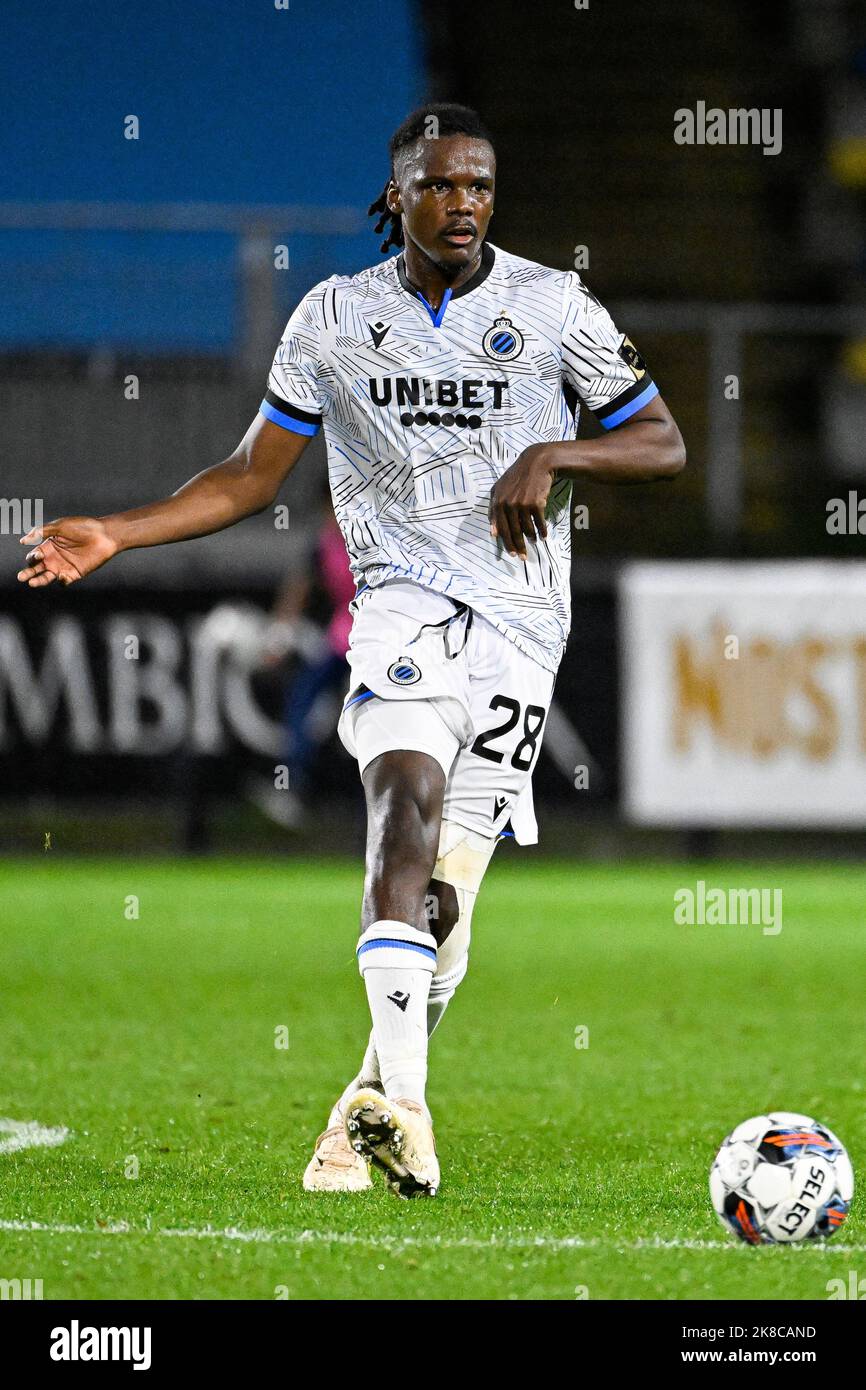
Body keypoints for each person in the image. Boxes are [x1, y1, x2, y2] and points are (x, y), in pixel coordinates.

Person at [18, 103, 685, 1199]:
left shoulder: (551, 306)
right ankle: (411, 1113)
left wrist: (554, 452)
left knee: (448, 908)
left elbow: (660, 440)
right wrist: (117, 530)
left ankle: (363, 1110)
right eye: (438, 185)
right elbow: (247, 475)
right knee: (400, 810)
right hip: (396, 612)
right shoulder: (331, 319)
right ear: (397, 196)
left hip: (523, 629)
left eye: (477, 186)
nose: (461, 203)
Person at [251, 487, 354, 830]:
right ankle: (293, 789)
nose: (332, 519)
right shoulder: (324, 544)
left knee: (376, 724)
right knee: (301, 702)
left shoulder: (375, 535)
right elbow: (299, 587)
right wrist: (278, 635)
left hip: (378, 646)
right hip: (340, 641)